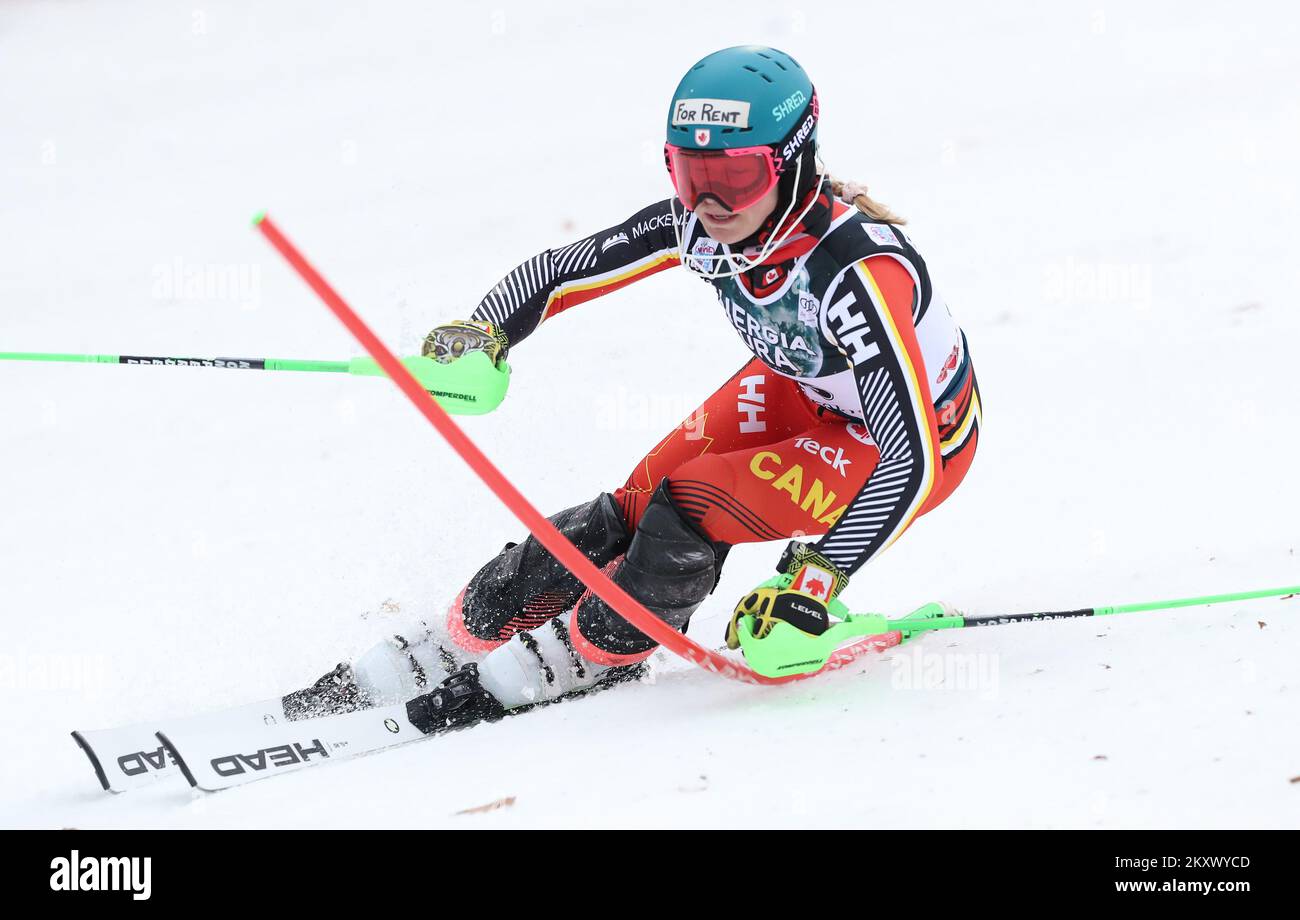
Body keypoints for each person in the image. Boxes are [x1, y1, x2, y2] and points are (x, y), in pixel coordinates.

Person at [286, 45, 982, 730]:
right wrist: (482, 335)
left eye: (735, 178)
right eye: (689, 172)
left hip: (908, 443)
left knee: (687, 508)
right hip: (803, 386)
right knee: (631, 506)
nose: (710, 202)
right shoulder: (701, 224)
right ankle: (459, 637)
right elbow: (562, 270)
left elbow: (911, 454)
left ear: (794, 162)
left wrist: (812, 583)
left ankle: (588, 654)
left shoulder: (855, 275)